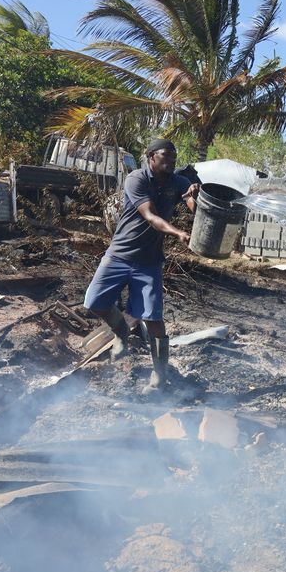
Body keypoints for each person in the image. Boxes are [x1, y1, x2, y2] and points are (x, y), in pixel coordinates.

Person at [83, 138, 199, 392]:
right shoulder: (137, 179)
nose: (170, 161)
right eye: (165, 156)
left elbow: (190, 204)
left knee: (154, 319)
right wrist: (178, 233)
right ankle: (122, 331)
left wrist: (193, 198)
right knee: (94, 302)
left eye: (173, 157)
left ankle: (159, 378)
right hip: (119, 255)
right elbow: (150, 216)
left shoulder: (177, 181)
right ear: (150, 156)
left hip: (149, 263)